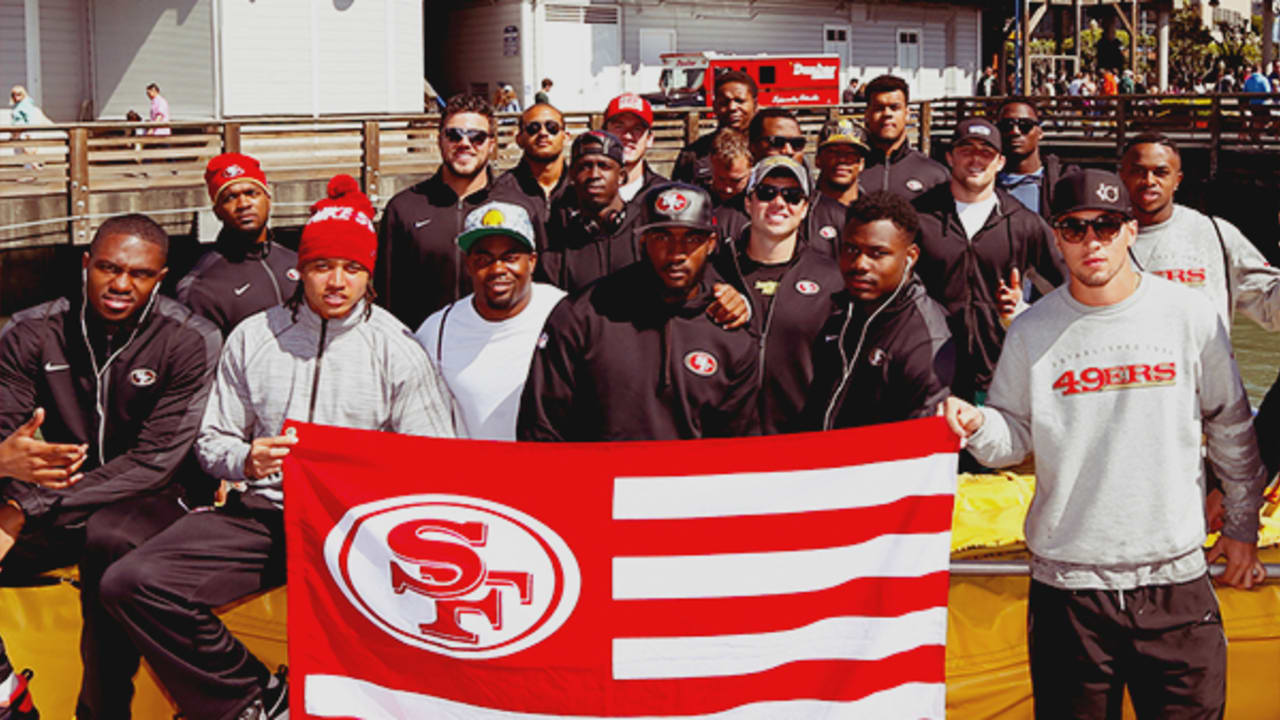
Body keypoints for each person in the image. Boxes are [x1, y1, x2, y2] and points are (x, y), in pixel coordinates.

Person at [102, 176, 457, 720]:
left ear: (369, 274)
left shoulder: (398, 349)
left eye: (352, 269)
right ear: (301, 269)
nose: (336, 282)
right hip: (265, 514)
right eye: (321, 267)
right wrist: (246, 459)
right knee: (131, 582)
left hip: (357, 530)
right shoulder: (253, 336)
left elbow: (438, 461)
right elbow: (210, 440)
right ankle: (251, 695)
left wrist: (370, 483)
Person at [938, 168, 1267, 720]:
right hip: (1068, 592)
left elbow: (1231, 426)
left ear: (1130, 231)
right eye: (1074, 228)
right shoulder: (1030, 330)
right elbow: (1011, 439)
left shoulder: (1189, 315)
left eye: (1107, 226)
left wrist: (1241, 526)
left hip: (1177, 584)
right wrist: (976, 425)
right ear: (1056, 237)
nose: (1092, 242)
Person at [0, 214, 221, 719]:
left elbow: (153, 462)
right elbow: (9, 437)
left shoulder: (191, 339)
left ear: (161, 278)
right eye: (108, 268)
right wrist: (11, 477)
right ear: (85, 264)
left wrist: (22, 508)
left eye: (139, 274)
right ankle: (8, 698)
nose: (121, 284)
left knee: (110, 539)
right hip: (50, 496)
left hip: (148, 498)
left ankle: (101, 711)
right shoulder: (30, 330)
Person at [518, 182, 759, 441]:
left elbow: (735, 452)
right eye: (662, 237)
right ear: (643, 240)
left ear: (711, 244)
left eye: (691, 238)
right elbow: (542, 429)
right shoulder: (583, 315)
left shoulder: (731, 334)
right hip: (598, 479)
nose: (677, 253)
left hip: (688, 480)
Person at [912, 117, 1062, 402]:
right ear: (949, 157)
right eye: (966, 150)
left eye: (986, 152)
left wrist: (1024, 312)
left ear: (1000, 162)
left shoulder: (1023, 223)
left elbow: (1067, 287)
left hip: (999, 374)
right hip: (930, 375)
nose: (975, 160)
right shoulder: (919, 218)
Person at [379, 93, 540, 329]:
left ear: (492, 144)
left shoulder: (521, 207)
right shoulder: (403, 209)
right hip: (423, 350)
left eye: (477, 137)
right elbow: (386, 298)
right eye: (454, 135)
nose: (465, 143)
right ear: (439, 140)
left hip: (497, 347)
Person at [712, 156, 842, 434]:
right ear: (748, 202)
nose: (779, 203)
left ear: (805, 208)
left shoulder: (833, 280)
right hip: (723, 441)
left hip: (801, 443)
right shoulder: (715, 272)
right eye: (767, 193)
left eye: (793, 196)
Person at [803, 191, 953, 429]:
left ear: (910, 256)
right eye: (851, 249)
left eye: (878, 254)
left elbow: (920, 443)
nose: (860, 264)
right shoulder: (840, 310)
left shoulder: (925, 339)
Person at [416, 202, 565, 440]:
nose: (498, 269)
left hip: (550, 469)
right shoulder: (436, 330)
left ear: (532, 261)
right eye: (484, 259)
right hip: (472, 473)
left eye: (510, 257)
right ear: (468, 264)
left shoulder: (563, 315)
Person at [1119, 134, 1280, 335]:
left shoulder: (1217, 234)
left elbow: (1271, 311)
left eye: (1161, 172)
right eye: (1137, 172)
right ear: (1121, 176)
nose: (1149, 181)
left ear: (1177, 180)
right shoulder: (1095, 239)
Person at [176, 153, 299, 337]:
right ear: (217, 211)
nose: (243, 204)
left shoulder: (296, 261)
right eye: (230, 198)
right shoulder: (202, 286)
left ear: (268, 199)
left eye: (251, 193)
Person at [538, 130, 640, 292]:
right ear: (571, 175)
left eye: (603, 166)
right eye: (585, 166)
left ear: (621, 176)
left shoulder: (645, 230)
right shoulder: (559, 242)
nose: (594, 175)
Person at [860, 74, 948, 201]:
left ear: (907, 114)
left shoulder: (935, 175)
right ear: (867, 114)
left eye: (894, 108)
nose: (887, 114)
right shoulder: (850, 172)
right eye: (879, 108)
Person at [671, 71, 758, 188]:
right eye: (724, 102)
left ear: (755, 104)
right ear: (714, 106)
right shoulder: (693, 154)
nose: (732, 107)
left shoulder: (766, 148)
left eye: (740, 101)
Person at [995, 98, 1070, 222]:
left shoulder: (1062, 182)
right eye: (1006, 126)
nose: (1015, 132)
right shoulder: (983, 183)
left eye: (1025, 125)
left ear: (1040, 132)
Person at [808, 118, 870, 256]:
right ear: (817, 160)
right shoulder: (803, 211)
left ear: (861, 164)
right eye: (833, 152)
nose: (842, 160)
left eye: (851, 154)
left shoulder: (874, 211)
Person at [602, 93, 667, 214]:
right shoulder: (585, 191)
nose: (627, 136)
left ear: (649, 139)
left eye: (637, 129)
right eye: (619, 127)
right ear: (604, 133)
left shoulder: (664, 193)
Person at [707, 128, 753, 243]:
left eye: (736, 181)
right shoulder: (701, 201)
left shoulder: (759, 205)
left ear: (751, 168)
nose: (727, 189)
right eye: (721, 179)